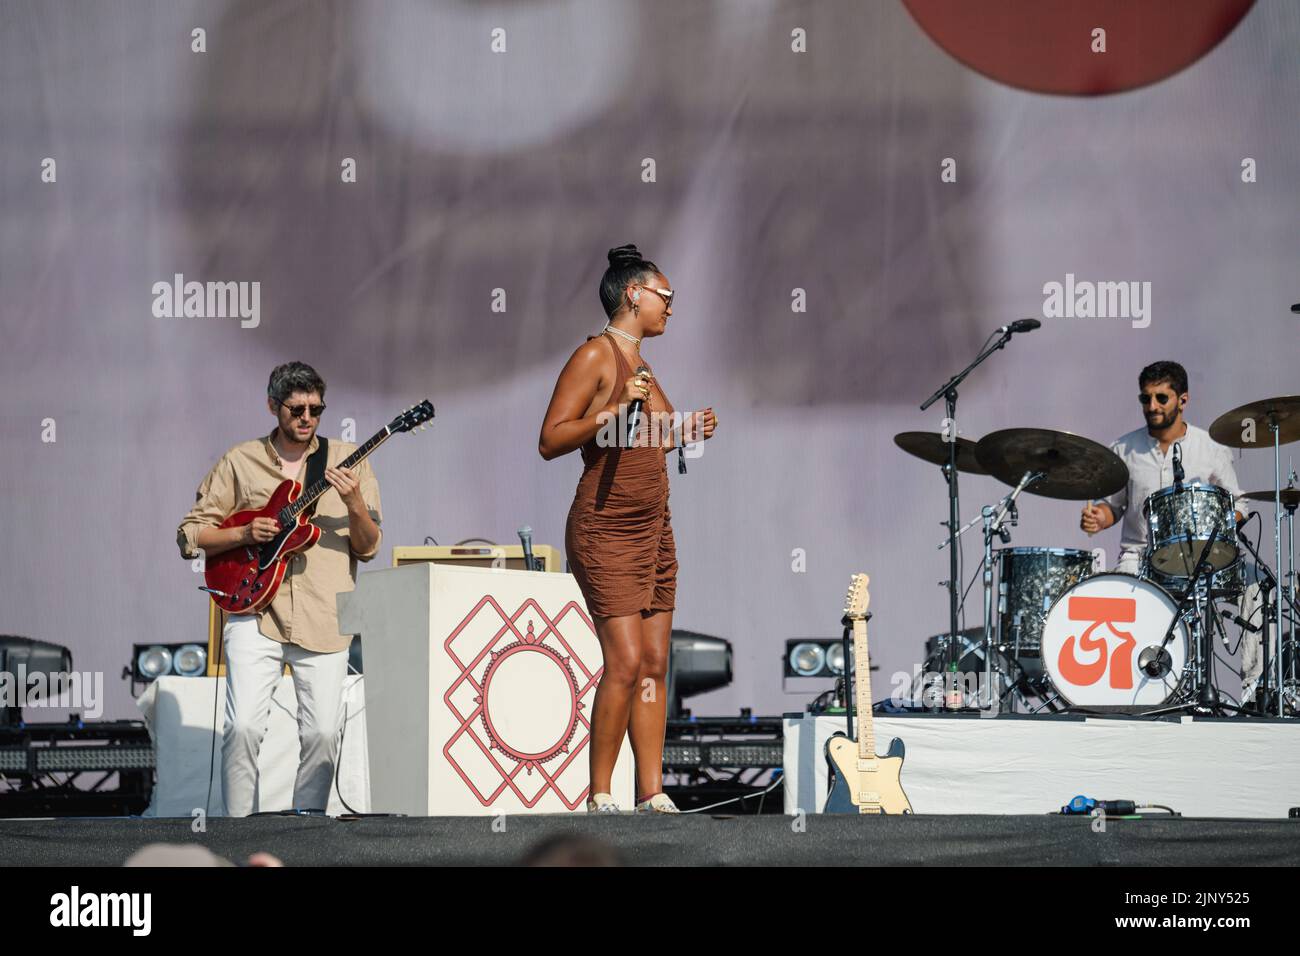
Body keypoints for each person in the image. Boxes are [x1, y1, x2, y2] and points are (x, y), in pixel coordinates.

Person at [539, 244, 717, 813]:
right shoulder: (595, 356)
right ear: (633, 295)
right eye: (665, 296)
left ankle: (652, 791)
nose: (671, 307)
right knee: (624, 661)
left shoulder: (638, 362)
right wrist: (611, 413)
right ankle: (599, 794)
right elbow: (550, 439)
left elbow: (663, 433)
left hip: (653, 528)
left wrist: (695, 425)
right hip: (606, 527)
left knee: (656, 662)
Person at [177, 362, 381, 816]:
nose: (307, 418)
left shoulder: (349, 460)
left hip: (323, 615)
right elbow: (191, 535)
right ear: (273, 406)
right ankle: (239, 834)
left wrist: (352, 502)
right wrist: (245, 534)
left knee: (324, 735)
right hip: (253, 611)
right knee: (244, 728)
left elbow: (367, 548)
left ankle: (304, 831)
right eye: (296, 409)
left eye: (316, 409)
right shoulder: (240, 460)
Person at [1081, 360, 1245, 574]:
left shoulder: (1211, 448)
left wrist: (1215, 533)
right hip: (1137, 560)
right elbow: (1112, 506)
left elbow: (1239, 504)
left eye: (1161, 398)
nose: (1152, 406)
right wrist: (1099, 518)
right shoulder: (1122, 449)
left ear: (1182, 401)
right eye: (1145, 398)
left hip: (1195, 561)